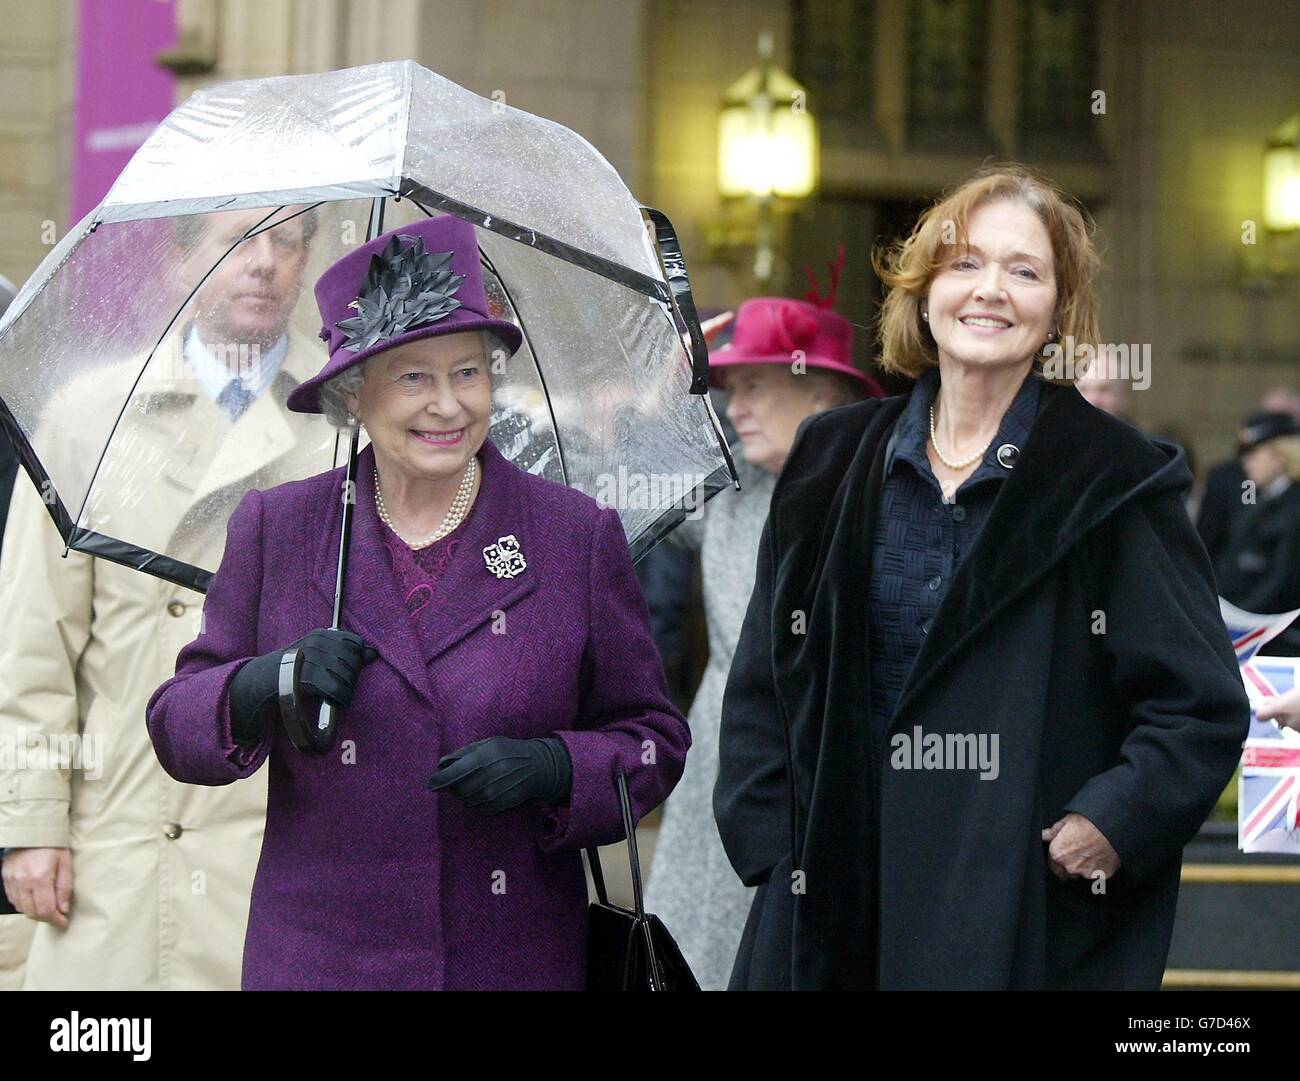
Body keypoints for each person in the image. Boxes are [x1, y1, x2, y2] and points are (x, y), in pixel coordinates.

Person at [714, 164, 1250, 990]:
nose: (989, 290)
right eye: (964, 263)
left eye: (1024, 270)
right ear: (923, 289)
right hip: (828, 910)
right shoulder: (834, 454)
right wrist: (769, 841)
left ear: (1058, 310)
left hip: (1012, 915)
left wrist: (1110, 822)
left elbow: (1201, 706)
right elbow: (764, 674)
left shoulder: (1113, 480)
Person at [146, 215, 690, 990]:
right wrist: (265, 682)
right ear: (352, 395)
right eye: (413, 377)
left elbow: (653, 738)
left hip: (512, 962)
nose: (448, 405)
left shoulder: (572, 535)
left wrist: (556, 765)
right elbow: (177, 724)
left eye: (468, 372)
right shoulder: (282, 527)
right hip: (322, 963)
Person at [0, 208, 335, 989]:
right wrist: (30, 823)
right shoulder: (87, 416)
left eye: (287, 241)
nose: (265, 262)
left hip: (288, 842)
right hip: (118, 838)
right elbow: (32, 643)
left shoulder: (348, 419)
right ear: (180, 262)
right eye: (239, 239)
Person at [644, 293, 881, 989]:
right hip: (721, 767)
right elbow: (622, 493)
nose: (734, 405)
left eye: (753, 385)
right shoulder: (729, 486)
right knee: (696, 959)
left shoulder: (874, 493)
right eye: (729, 388)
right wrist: (662, 396)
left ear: (822, 391)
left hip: (825, 771)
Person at [1212, 412, 1300, 655]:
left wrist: (1241, 620)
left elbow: (1283, 577)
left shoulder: (1293, 504)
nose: (1246, 462)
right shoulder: (1258, 500)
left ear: (1280, 456)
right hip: (1247, 621)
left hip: (1277, 636)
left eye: (1254, 454)